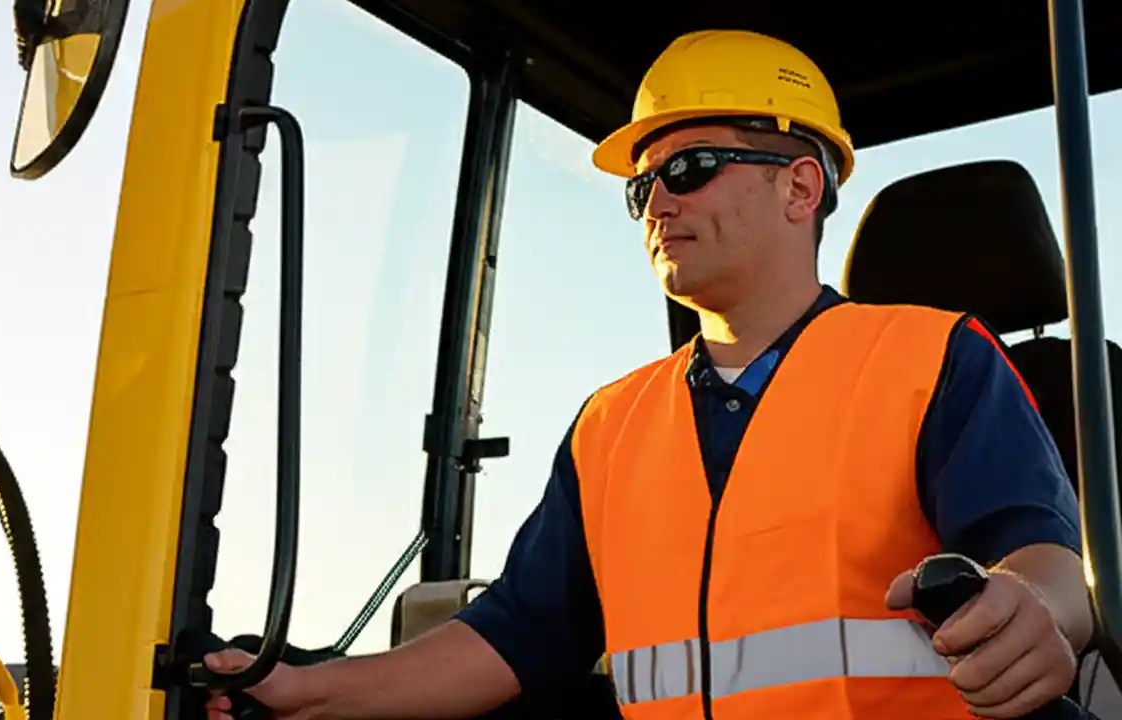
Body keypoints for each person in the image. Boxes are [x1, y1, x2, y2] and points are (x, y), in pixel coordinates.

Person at [203, 29, 1092, 720]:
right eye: (642, 185)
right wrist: (307, 690)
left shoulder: (932, 360)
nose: (658, 200)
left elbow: (1044, 559)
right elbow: (513, 639)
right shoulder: (610, 425)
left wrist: (1032, 612)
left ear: (800, 188)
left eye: (690, 167)